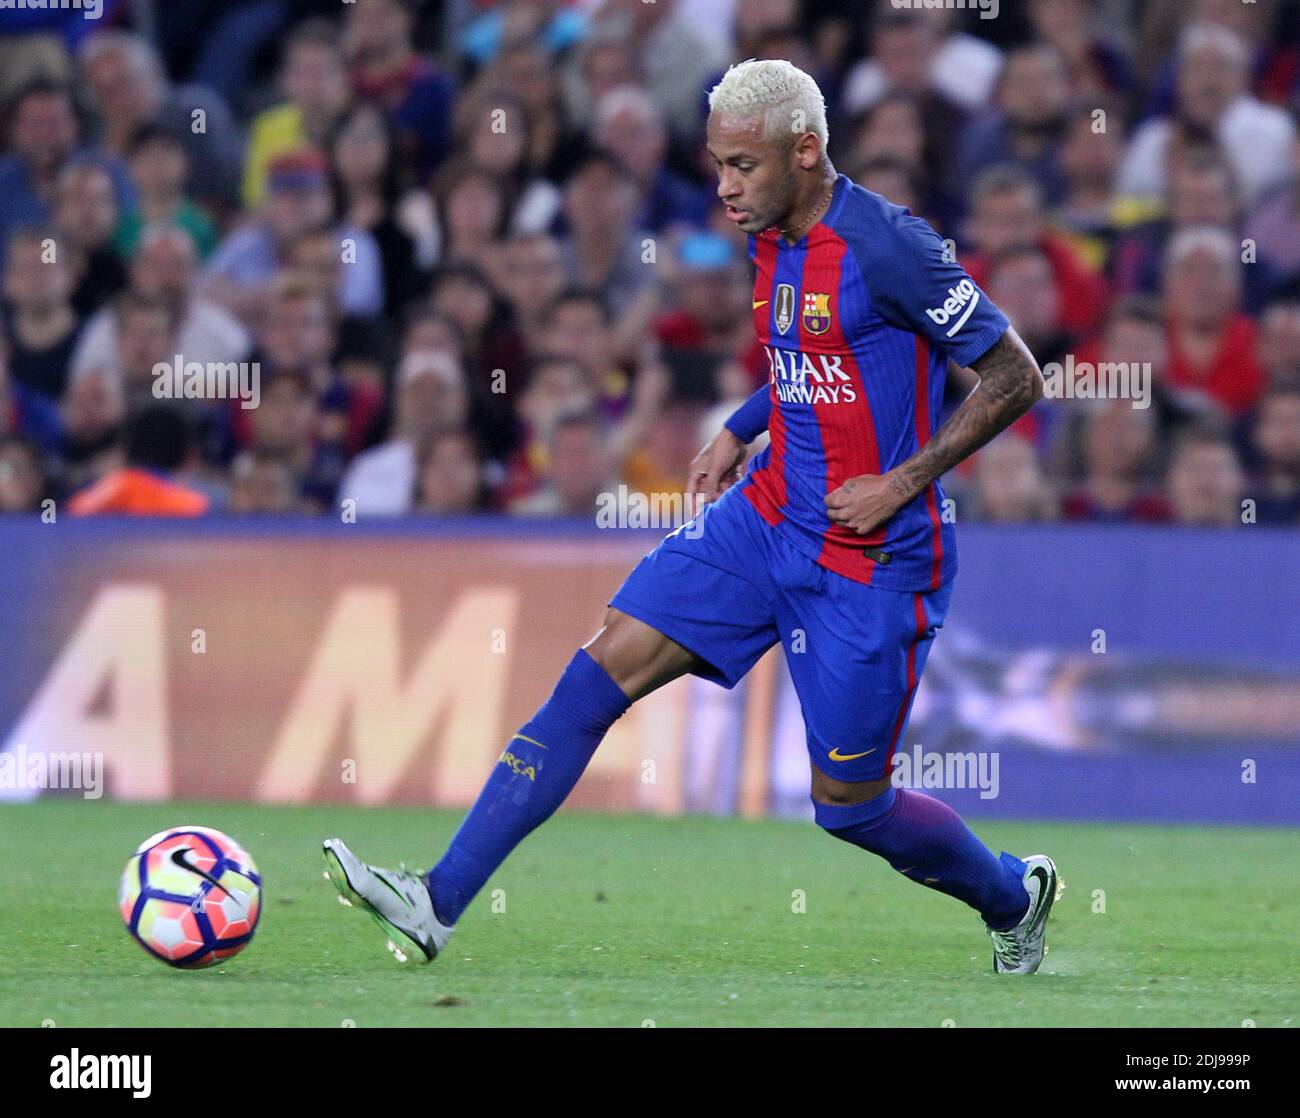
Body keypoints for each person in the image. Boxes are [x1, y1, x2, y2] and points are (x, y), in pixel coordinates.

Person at [322, 60, 1057, 976]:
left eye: (742, 166)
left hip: (874, 557)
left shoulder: (892, 246)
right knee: (596, 676)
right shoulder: (771, 230)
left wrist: (902, 480)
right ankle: (437, 900)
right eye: (715, 164)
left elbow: (1016, 374)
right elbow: (812, 347)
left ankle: (1013, 896)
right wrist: (740, 426)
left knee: (851, 806)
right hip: (766, 516)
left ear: (807, 149)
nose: (724, 187)